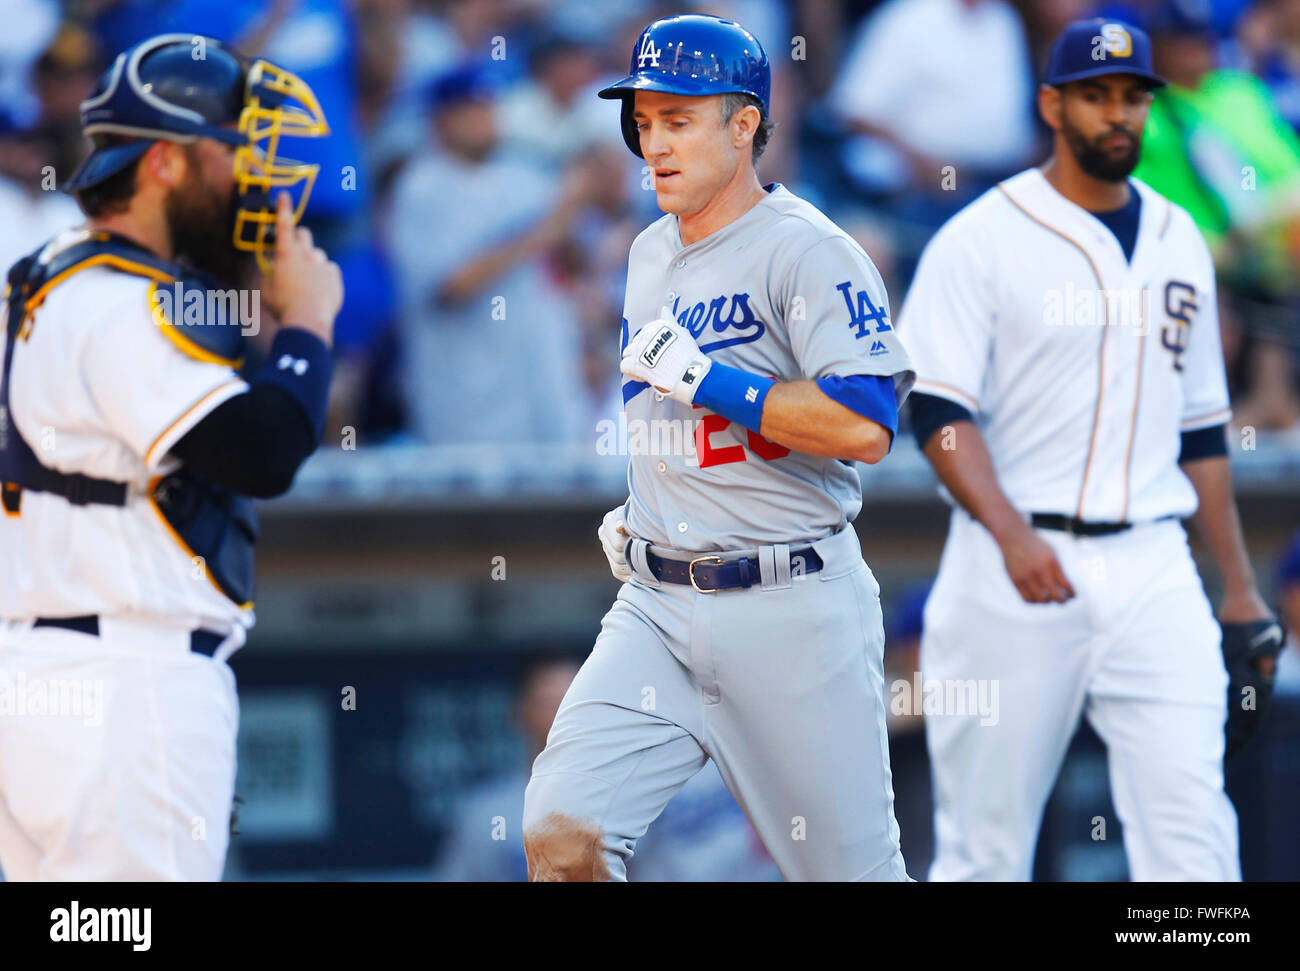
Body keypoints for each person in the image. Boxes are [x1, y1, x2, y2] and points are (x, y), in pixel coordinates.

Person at [521, 14, 915, 882]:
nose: (653, 144)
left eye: (679, 120)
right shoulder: (646, 252)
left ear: (744, 126)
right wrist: (649, 503)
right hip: (657, 605)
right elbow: (657, 408)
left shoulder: (810, 250)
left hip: (791, 601)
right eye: (645, 121)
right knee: (562, 832)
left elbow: (866, 423)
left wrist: (717, 382)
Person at [898, 18, 1281, 881]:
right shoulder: (981, 235)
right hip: (1011, 560)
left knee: (1193, 835)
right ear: (1053, 104)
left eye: (1132, 97)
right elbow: (937, 409)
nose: (1118, 114)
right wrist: (1010, 534)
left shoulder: (1182, 235)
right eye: (1097, 95)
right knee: (983, 849)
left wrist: (1241, 586)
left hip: (1154, 559)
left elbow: (1204, 431)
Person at [0, 34, 341, 880]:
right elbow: (261, 452)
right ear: (164, 163)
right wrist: (307, 325)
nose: (253, 179)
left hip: (55, 676)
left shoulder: (48, 273)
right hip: (125, 683)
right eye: (235, 152)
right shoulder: (120, 303)